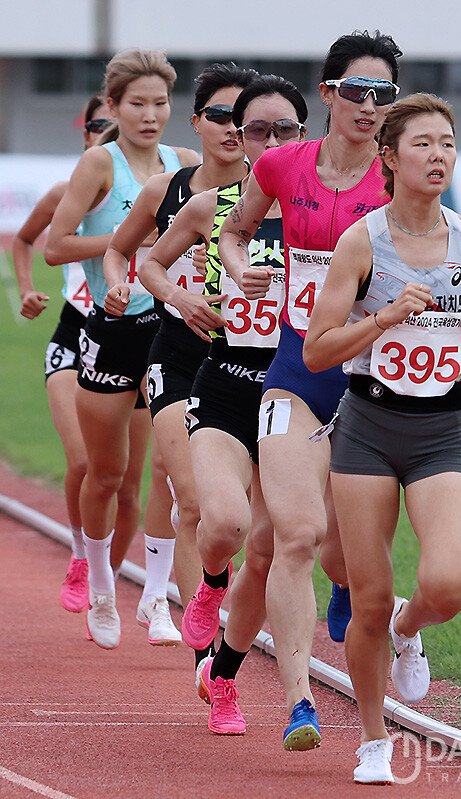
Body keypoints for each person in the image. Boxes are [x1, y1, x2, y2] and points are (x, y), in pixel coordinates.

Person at [303, 93, 461, 784]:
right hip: (369, 429)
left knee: (449, 583)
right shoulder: (361, 242)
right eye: (424, 145)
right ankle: (373, 738)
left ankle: (412, 629)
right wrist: (384, 318)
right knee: (366, 597)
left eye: (448, 144)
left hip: (441, 432)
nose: (439, 156)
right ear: (390, 158)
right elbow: (318, 350)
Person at [218, 30, 402, 750]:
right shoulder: (282, 163)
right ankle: (299, 700)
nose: (367, 104)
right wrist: (240, 267)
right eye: (355, 90)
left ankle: (352, 588)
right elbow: (233, 234)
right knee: (294, 533)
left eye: (382, 94)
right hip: (296, 371)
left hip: (374, 381)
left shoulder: (400, 176)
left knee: (344, 554)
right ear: (326, 94)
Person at [142, 75, 308, 736]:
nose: (271, 141)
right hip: (226, 382)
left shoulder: (318, 211)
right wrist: (183, 300)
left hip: (294, 391)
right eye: (258, 130)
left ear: (303, 135)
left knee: (271, 554)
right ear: (239, 136)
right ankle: (209, 582)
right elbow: (153, 263)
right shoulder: (214, 206)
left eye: (285, 130)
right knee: (226, 523)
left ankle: (226, 677)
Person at [45, 49, 199, 650]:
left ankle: (156, 598)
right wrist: (130, 238)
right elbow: (56, 246)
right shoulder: (97, 164)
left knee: (159, 471)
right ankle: (102, 582)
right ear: (113, 107)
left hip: (168, 330)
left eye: (161, 103)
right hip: (111, 329)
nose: (150, 114)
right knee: (104, 474)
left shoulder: (183, 163)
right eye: (137, 104)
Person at [105, 62, 258, 660]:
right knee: (192, 499)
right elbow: (124, 252)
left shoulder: (272, 197)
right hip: (177, 353)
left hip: (251, 359)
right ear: (195, 123)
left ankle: (218, 601)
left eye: (243, 118)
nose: (231, 128)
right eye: (218, 115)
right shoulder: (167, 191)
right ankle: (207, 657)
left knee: (251, 523)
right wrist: (136, 289)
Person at [12, 96, 114, 613]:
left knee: (125, 477)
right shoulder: (63, 193)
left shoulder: (150, 191)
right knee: (82, 459)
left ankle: (113, 579)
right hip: (74, 331)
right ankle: (79, 554)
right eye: (98, 123)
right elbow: (25, 241)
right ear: (84, 134)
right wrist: (27, 288)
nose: (106, 132)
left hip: (129, 334)